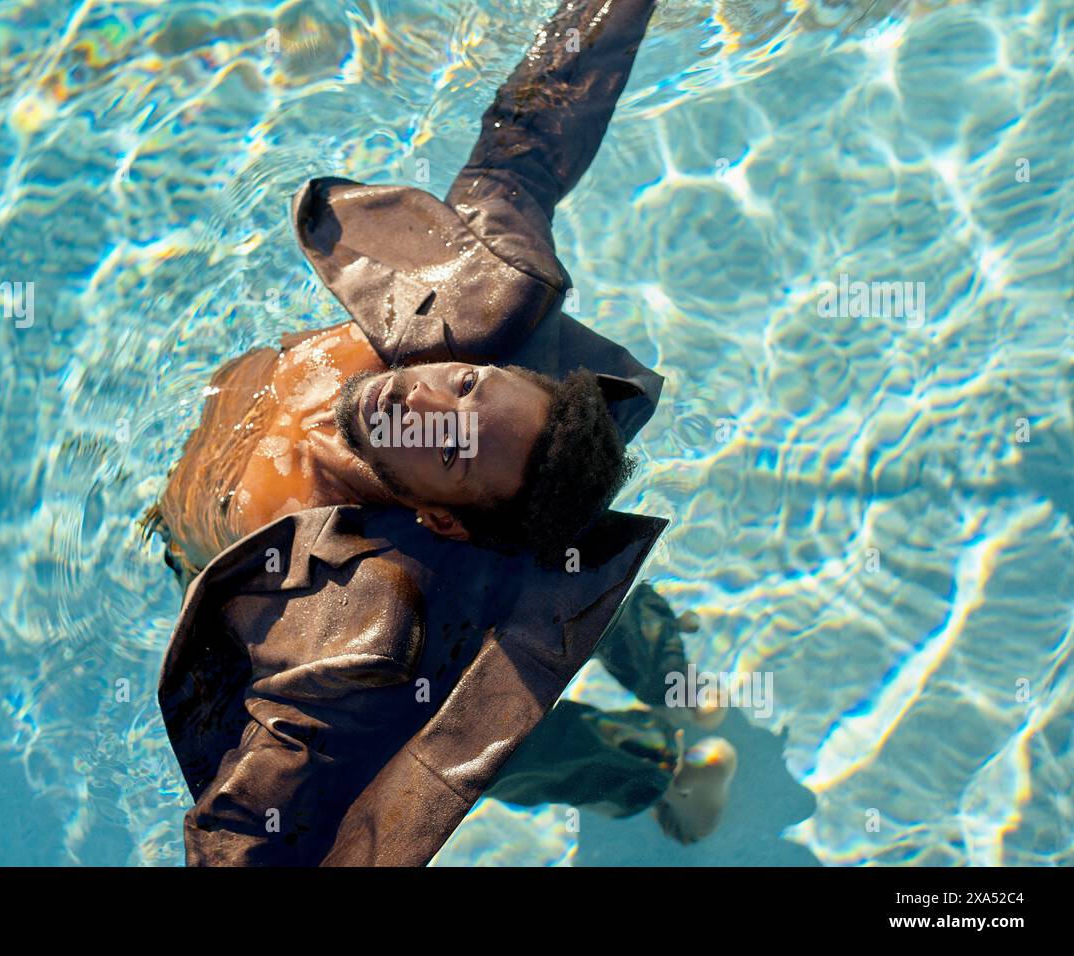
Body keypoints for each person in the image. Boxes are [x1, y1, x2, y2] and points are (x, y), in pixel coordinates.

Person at [149, 0, 736, 866]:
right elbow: (527, 143)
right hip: (480, 523)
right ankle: (676, 682)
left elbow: (268, 812)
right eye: (464, 386)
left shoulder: (355, 622)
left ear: (443, 520)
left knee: (497, 729)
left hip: (411, 598)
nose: (421, 403)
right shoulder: (458, 318)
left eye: (453, 447)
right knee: (562, 551)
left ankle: (656, 766)